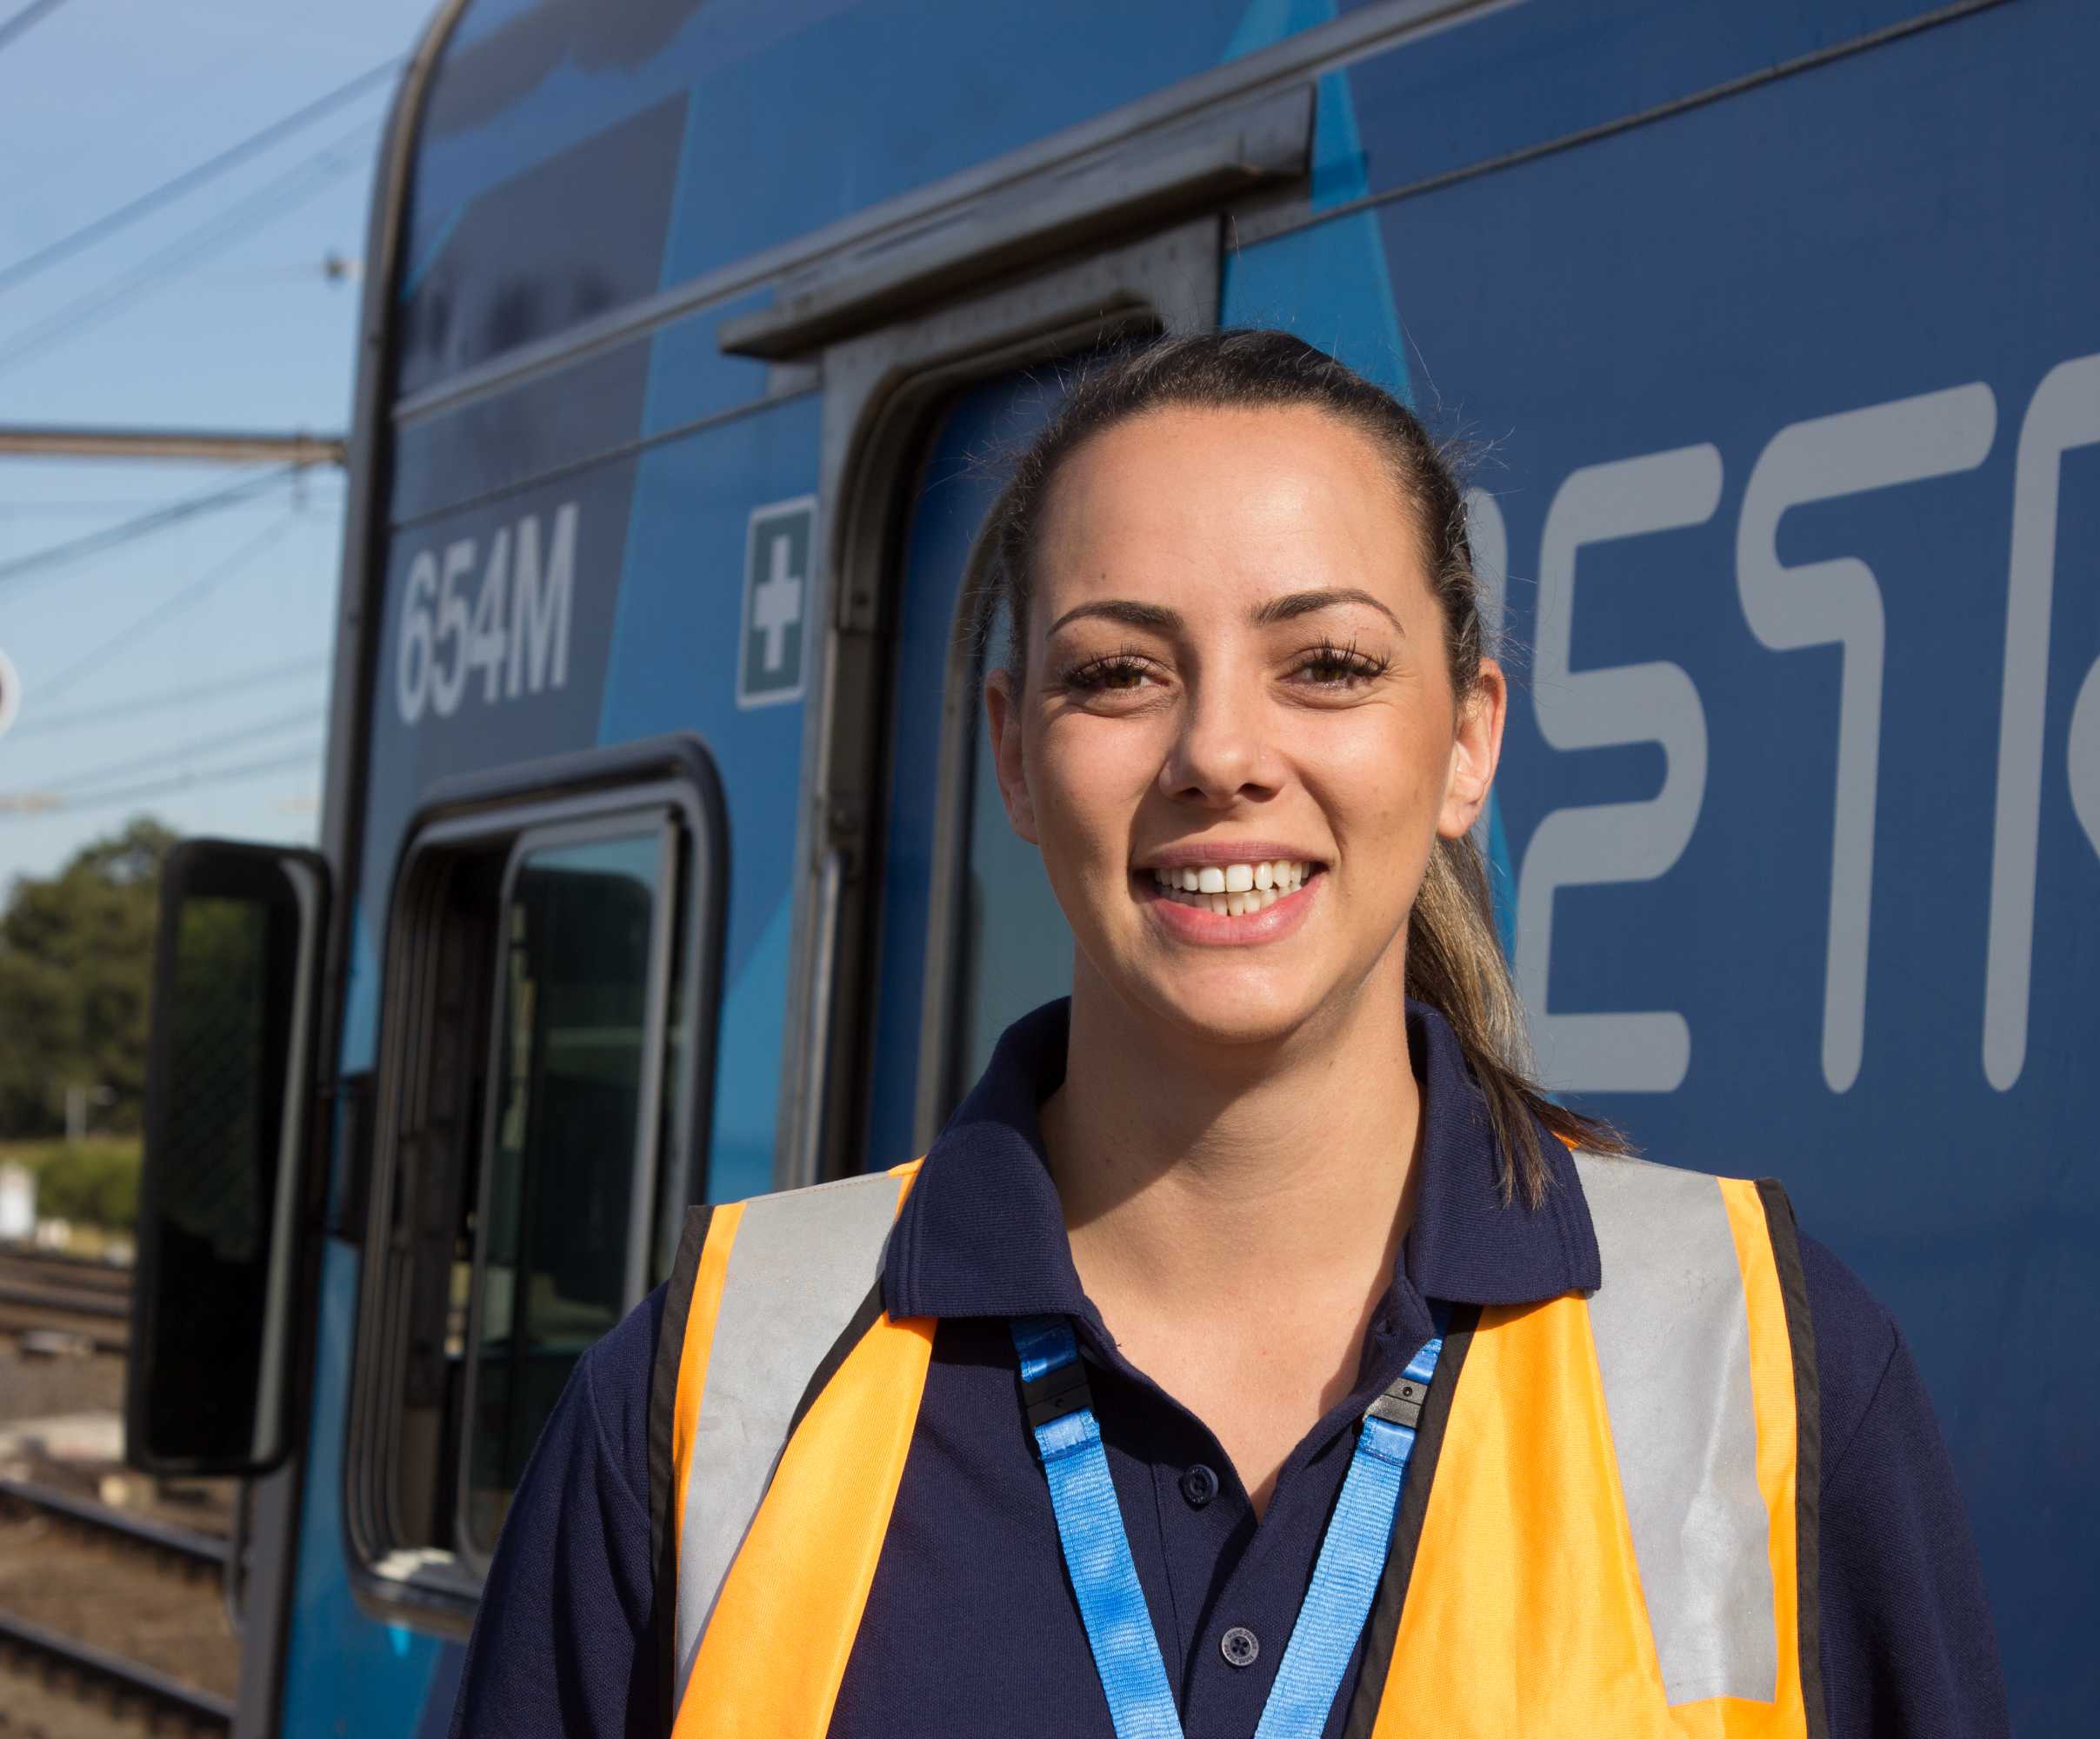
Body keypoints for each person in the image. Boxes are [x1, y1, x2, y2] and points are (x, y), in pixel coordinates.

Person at [448, 330, 2008, 1738]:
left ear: (1466, 743)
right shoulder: (716, 1390)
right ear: (1011, 753)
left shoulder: (1761, 1366)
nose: (1219, 752)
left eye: (1325, 665)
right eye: (1120, 673)